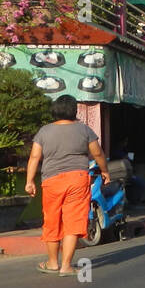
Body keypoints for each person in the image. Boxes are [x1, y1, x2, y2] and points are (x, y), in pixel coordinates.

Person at [25, 94, 109, 277]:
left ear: (54, 110)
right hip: (77, 179)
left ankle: (52, 263)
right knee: (73, 221)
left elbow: (34, 157)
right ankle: (66, 266)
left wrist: (30, 180)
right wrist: (105, 171)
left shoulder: (44, 131)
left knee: (52, 221)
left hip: (51, 181)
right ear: (74, 111)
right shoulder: (84, 130)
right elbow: (98, 153)